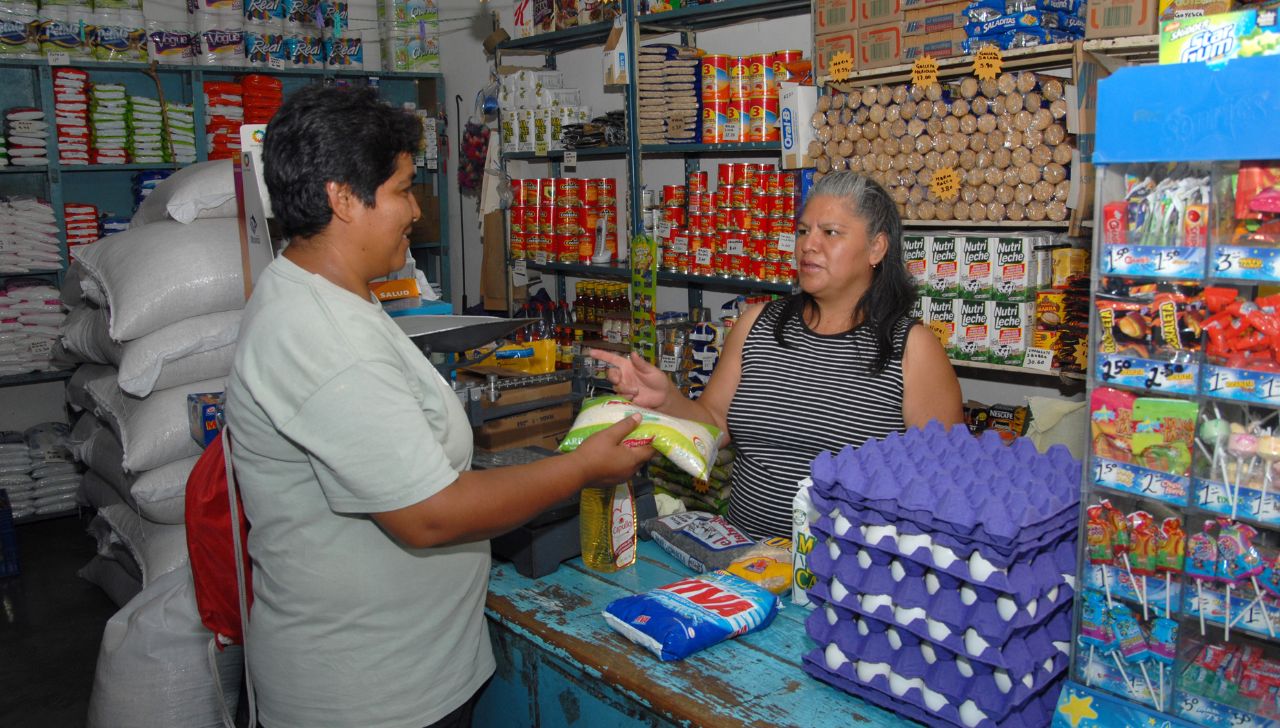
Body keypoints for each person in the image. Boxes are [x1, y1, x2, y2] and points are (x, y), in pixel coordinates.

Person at [224, 85, 653, 728]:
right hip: (367, 696)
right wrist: (583, 467)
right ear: (343, 198)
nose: (415, 213)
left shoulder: (334, 298)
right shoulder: (321, 337)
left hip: (409, 670)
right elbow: (427, 516)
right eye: (400, 190)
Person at [594, 172, 964, 540]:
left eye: (830, 232)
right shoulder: (758, 323)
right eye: (803, 231)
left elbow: (940, 483)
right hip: (742, 559)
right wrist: (666, 398)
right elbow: (714, 422)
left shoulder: (912, 347)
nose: (808, 245)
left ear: (876, 248)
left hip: (842, 576)